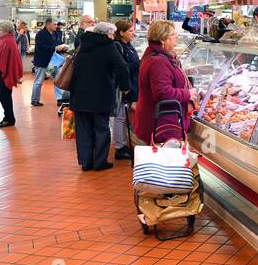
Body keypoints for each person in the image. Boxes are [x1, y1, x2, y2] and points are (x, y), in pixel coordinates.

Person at [68, 21, 129, 170]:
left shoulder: (83, 45)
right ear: (106, 34)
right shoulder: (109, 47)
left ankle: (86, 162)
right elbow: (122, 67)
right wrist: (125, 87)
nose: (113, 36)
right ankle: (100, 162)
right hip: (100, 95)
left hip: (80, 95)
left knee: (83, 130)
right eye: (112, 33)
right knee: (101, 128)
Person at [135, 20, 194, 148]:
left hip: (161, 118)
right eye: (173, 35)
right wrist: (187, 93)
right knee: (164, 163)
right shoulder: (158, 62)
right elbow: (163, 93)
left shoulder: (158, 56)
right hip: (162, 122)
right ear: (162, 39)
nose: (176, 37)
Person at [112, 19, 141, 161]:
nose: (133, 33)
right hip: (122, 87)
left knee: (123, 116)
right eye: (130, 31)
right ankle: (120, 148)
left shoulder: (128, 45)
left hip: (131, 85)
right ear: (121, 33)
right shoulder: (118, 46)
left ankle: (123, 144)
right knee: (120, 116)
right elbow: (121, 67)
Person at [30, 18, 62, 107]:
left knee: (58, 80)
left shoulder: (56, 33)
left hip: (53, 61)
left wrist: (62, 47)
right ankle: (35, 100)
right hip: (42, 61)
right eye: (54, 24)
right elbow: (40, 48)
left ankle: (60, 99)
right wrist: (55, 48)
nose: (56, 26)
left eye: (56, 24)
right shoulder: (40, 34)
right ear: (48, 24)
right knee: (39, 81)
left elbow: (58, 43)